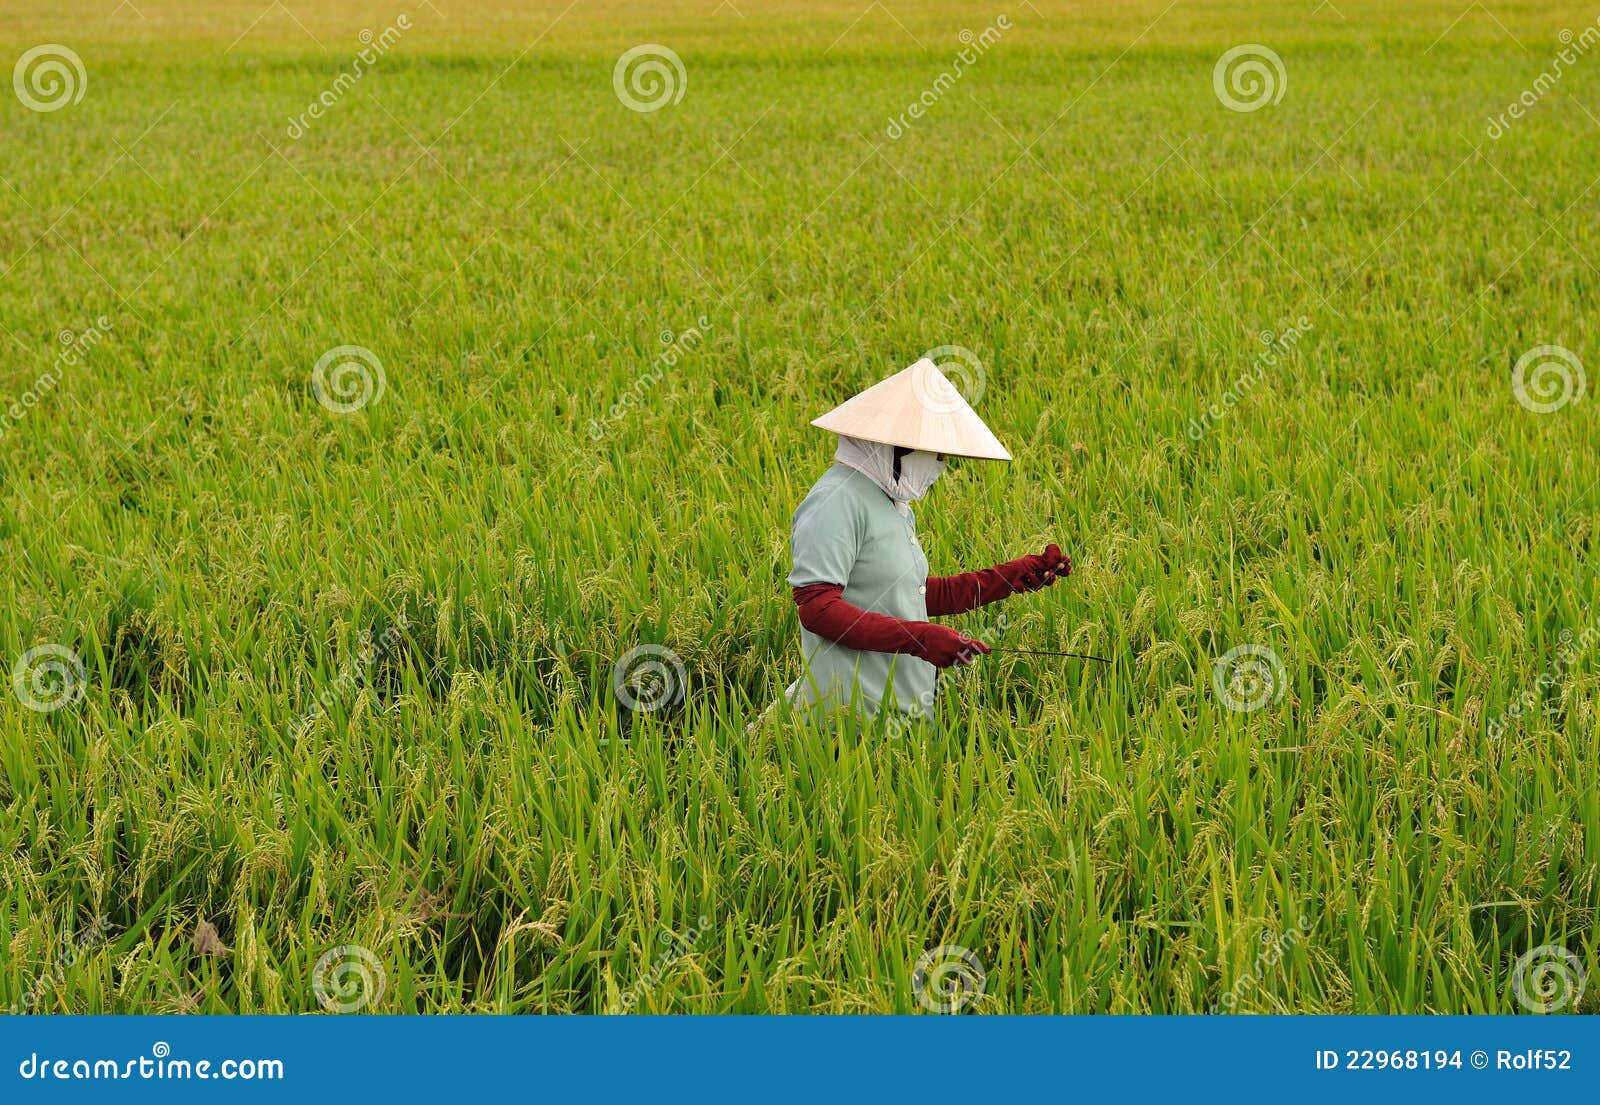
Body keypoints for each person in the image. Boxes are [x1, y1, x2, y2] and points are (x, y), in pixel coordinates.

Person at [784, 357, 1071, 720]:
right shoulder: (836, 500)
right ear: (895, 448)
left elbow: (909, 595)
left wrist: (1012, 577)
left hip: (902, 714)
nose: (940, 466)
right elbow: (818, 608)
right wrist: (920, 639)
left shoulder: (892, 504)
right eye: (935, 454)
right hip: (844, 720)